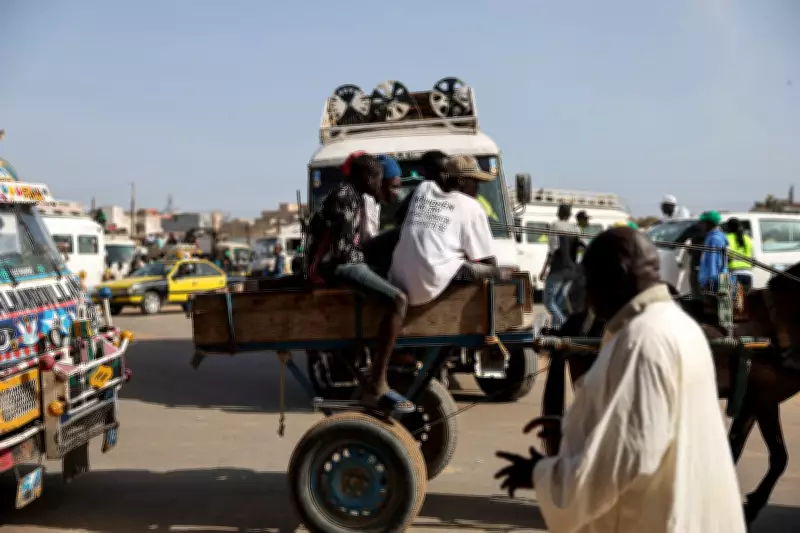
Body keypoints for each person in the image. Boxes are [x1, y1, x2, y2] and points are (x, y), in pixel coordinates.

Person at [494, 227, 746, 533]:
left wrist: (542, 474)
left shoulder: (644, 338)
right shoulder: (674, 325)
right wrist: (578, 426)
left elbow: (628, 456)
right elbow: (649, 423)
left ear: (619, 279)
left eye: (590, 283)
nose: (587, 297)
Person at [305, 153, 413, 413]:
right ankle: (378, 379)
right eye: (378, 180)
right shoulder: (344, 197)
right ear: (367, 179)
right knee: (398, 300)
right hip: (332, 269)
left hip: (342, 263)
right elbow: (342, 253)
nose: (379, 185)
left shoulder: (353, 196)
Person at [390, 154, 507, 307]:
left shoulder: (423, 189)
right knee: (495, 271)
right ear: (461, 181)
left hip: (398, 279)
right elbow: (489, 262)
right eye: (475, 181)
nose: (478, 188)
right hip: (428, 284)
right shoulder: (471, 205)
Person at [539, 204, 580, 329]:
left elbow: (553, 250)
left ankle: (565, 324)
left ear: (559, 213)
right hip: (571, 271)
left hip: (558, 269)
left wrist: (544, 270)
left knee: (548, 303)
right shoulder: (576, 229)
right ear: (569, 214)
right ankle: (556, 329)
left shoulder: (555, 226)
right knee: (558, 303)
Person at [698, 210, 728, 292]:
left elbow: (713, 262)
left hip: (715, 282)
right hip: (720, 279)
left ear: (710, 224)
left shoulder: (714, 239)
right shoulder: (716, 236)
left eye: (702, 223)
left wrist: (710, 282)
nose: (700, 225)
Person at [726, 217, 753, 292]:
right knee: (746, 298)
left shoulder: (727, 238)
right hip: (748, 273)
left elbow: (727, 256)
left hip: (733, 273)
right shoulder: (748, 238)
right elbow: (753, 257)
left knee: (733, 299)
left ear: (729, 227)